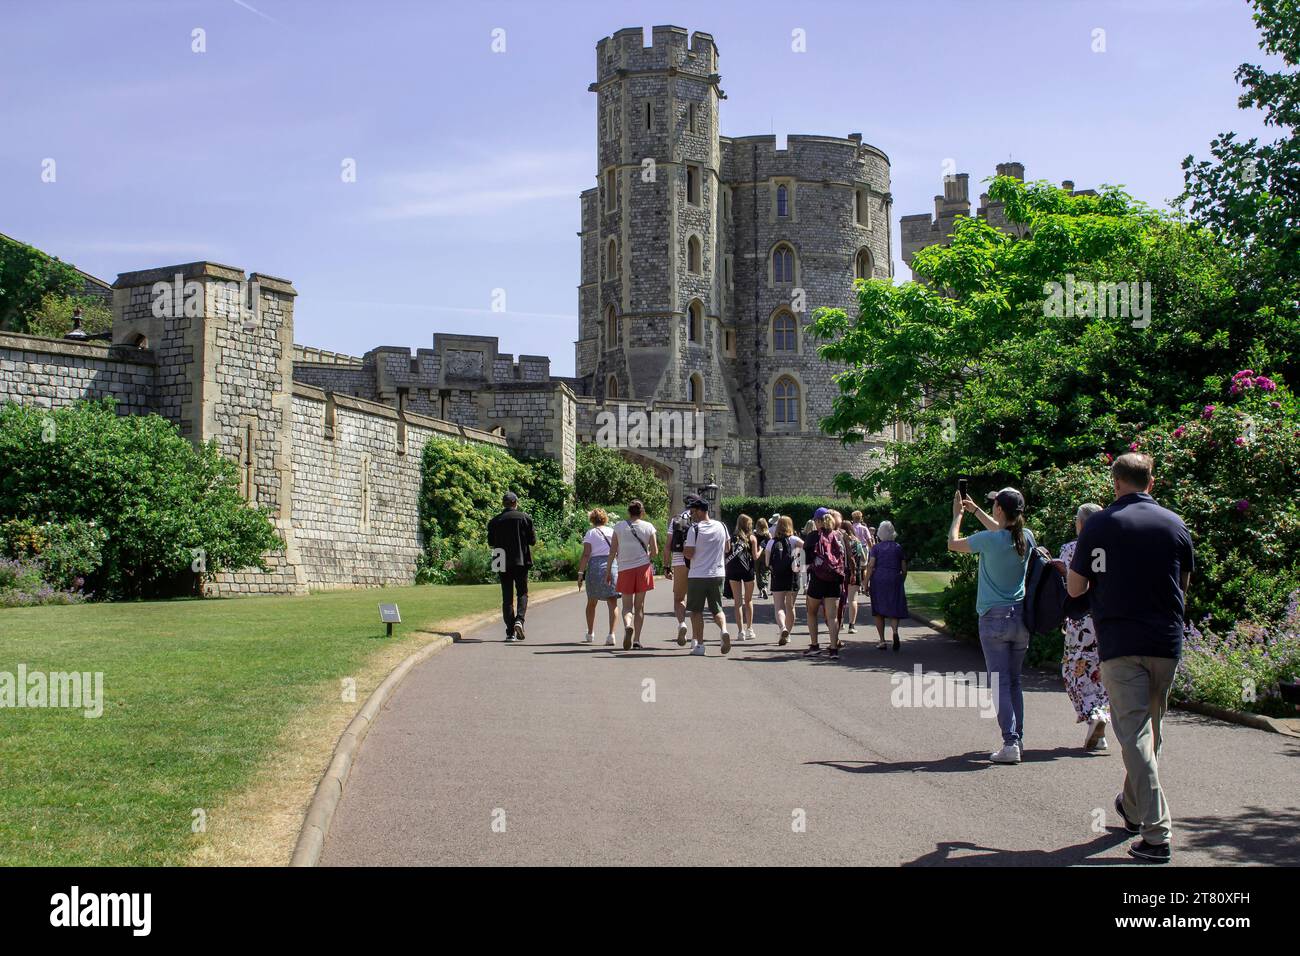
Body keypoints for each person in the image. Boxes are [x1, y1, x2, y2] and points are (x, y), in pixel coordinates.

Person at [1067, 453, 1194, 864]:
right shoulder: (1175, 524)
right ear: (1150, 481)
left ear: (1116, 482)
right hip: (1165, 640)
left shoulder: (1100, 524)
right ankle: (1133, 806)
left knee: (1135, 735)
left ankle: (1157, 834)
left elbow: (1074, 588)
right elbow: (1183, 584)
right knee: (1150, 732)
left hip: (1121, 640)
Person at [948, 487, 1036, 764]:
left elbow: (953, 543)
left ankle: (1010, 743)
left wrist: (958, 516)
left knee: (999, 682)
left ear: (1000, 510)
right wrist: (976, 511)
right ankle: (1017, 739)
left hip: (993, 618)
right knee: (1014, 681)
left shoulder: (989, 540)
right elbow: (1002, 529)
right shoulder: (1026, 537)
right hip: (1020, 618)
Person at [1052, 502, 1110, 751]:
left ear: (1082, 523)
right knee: (1102, 673)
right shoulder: (1112, 548)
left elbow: (1072, 587)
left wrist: (1060, 570)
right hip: (1107, 618)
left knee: (1073, 671)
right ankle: (1099, 727)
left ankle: (1094, 714)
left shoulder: (1071, 549)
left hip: (1081, 618)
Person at [606, 499, 659, 650]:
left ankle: (628, 625)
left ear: (628, 512)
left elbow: (612, 551)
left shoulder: (619, 527)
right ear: (642, 512)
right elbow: (655, 551)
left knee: (627, 606)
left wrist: (608, 570)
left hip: (625, 569)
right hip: (642, 569)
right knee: (640, 607)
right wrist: (647, 556)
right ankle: (636, 640)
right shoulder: (649, 527)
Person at [683, 495, 732, 655]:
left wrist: (684, 547)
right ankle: (723, 630)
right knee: (717, 609)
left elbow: (689, 554)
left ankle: (701, 645)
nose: (691, 513)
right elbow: (727, 548)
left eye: (693, 510)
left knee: (696, 611)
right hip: (718, 573)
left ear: (699, 511)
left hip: (698, 574)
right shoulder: (722, 526)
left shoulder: (694, 529)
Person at [487, 491, 536, 642]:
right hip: (520, 559)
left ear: (504, 504)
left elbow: (491, 543)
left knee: (506, 597)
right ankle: (519, 620)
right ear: (515, 502)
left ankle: (510, 632)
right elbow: (532, 540)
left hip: (501, 559)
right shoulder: (524, 518)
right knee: (522, 592)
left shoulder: (495, 521)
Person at [805, 507, 845, 659]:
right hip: (834, 578)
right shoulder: (838, 536)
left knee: (811, 612)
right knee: (832, 616)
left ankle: (815, 646)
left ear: (817, 521)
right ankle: (833, 649)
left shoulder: (812, 537)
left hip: (817, 578)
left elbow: (803, 561)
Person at [577, 508, 620, 646]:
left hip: (595, 567)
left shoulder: (590, 533)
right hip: (611, 565)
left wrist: (580, 573)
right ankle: (611, 634)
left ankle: (590, 633)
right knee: (612, 602)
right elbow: (618, 551)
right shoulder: (612, 531)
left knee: (591, 601)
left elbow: (586, 554)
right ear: (605, 519)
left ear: (592, 519)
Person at [865, 520, 908, 651]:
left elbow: (871, 565)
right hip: (894, 578)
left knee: (878, 611)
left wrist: (865, 581)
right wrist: (902, 579)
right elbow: (904, 568)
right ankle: (895, 632)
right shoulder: (898, 547)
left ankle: (882, 641)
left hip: (879, 579)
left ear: (879, 533)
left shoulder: (876, 548)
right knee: (894, 607)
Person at [765, 515, 803, 646]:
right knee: (790, 606)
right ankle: (789, 634)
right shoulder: (795, 540)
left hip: (778, 577)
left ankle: (783, 628)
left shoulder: (771, 542)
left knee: (779, 606)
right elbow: (806, 550)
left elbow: (767, 563)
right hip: (792, 576)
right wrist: (799, 563)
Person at [726, 514, 760, 641]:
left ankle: (740, 632)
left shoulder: (731, 537)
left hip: (733, 570)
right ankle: (749, 629)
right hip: (748, 570)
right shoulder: (752, 538)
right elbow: (755, 556)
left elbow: (726, 551)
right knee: (748, 600)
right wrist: (761, 549)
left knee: (737, 602)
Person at [665, 502, 696, 644]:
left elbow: (668, 544)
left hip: (679, 562)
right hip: (697, 563)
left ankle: (682, 623)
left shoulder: (676, 520)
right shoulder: (700, 520)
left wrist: (666, 566)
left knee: (679, 599)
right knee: (696, 602)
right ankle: (697, 637)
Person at [839, 516, 868, 635]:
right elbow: (864, 558)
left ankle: (840, 623)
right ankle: (852, 625)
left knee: (842, 599)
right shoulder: (857, 541)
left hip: (842, 572)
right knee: (853, 599)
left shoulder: (840, 540)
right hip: (854, 572)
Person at [755, 517, 772, 600]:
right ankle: (765, 587)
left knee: (757, 573)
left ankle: (760, 590)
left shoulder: (755, 534)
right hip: (766, 554)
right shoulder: (768, 534)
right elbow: (772, 543)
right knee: (765, 572)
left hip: (757, 554)